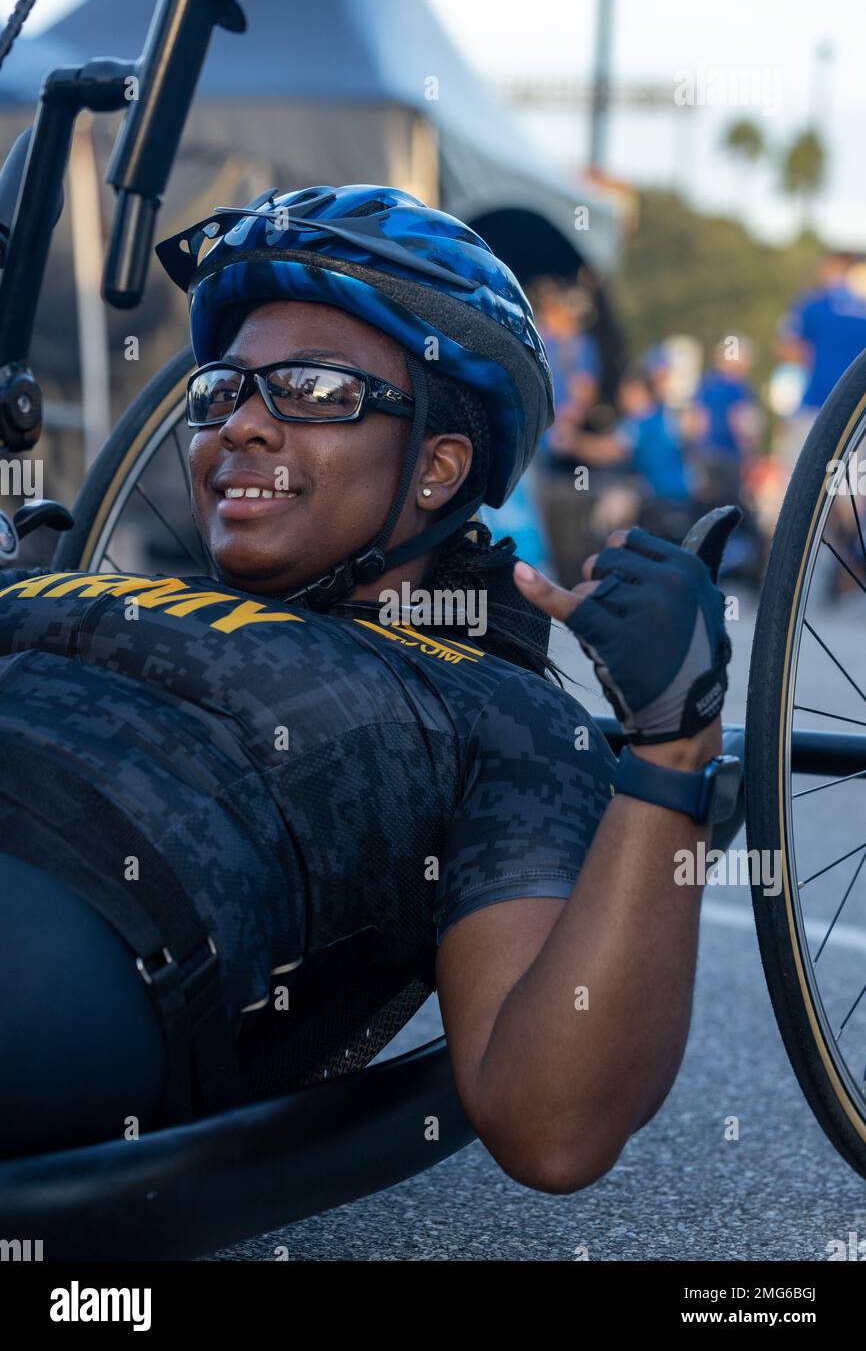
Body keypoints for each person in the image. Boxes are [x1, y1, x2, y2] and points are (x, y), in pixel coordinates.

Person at [0, 186, 738, 1196]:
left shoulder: (495, 712)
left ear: (438, 466)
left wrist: (670, 743)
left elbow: (550, 1124)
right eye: (224, 389)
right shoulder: (91, 583)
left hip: (62, 910)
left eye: (310, 388)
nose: (244, 426)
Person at [566, 366, 695, 544]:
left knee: (611, 506)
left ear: (636, 391)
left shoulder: (640, 422)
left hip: (660, 501)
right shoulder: (662, 416)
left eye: (624, 393)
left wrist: (571, 442)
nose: (621, 399)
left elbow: (606, 451)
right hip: (680, 498)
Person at [529, 277, 602, 586]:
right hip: (538, 448)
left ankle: (566, 585)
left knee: (567, 526)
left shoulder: (578, 345)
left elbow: (584, 392)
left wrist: (567, 422)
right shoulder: (544, 339)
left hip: (560, 453)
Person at [777, 250, 866, 468]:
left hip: (816, 406)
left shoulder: (813, 305)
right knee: (851, 494)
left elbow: (788, 349)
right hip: (858, 414)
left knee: (799, 487)